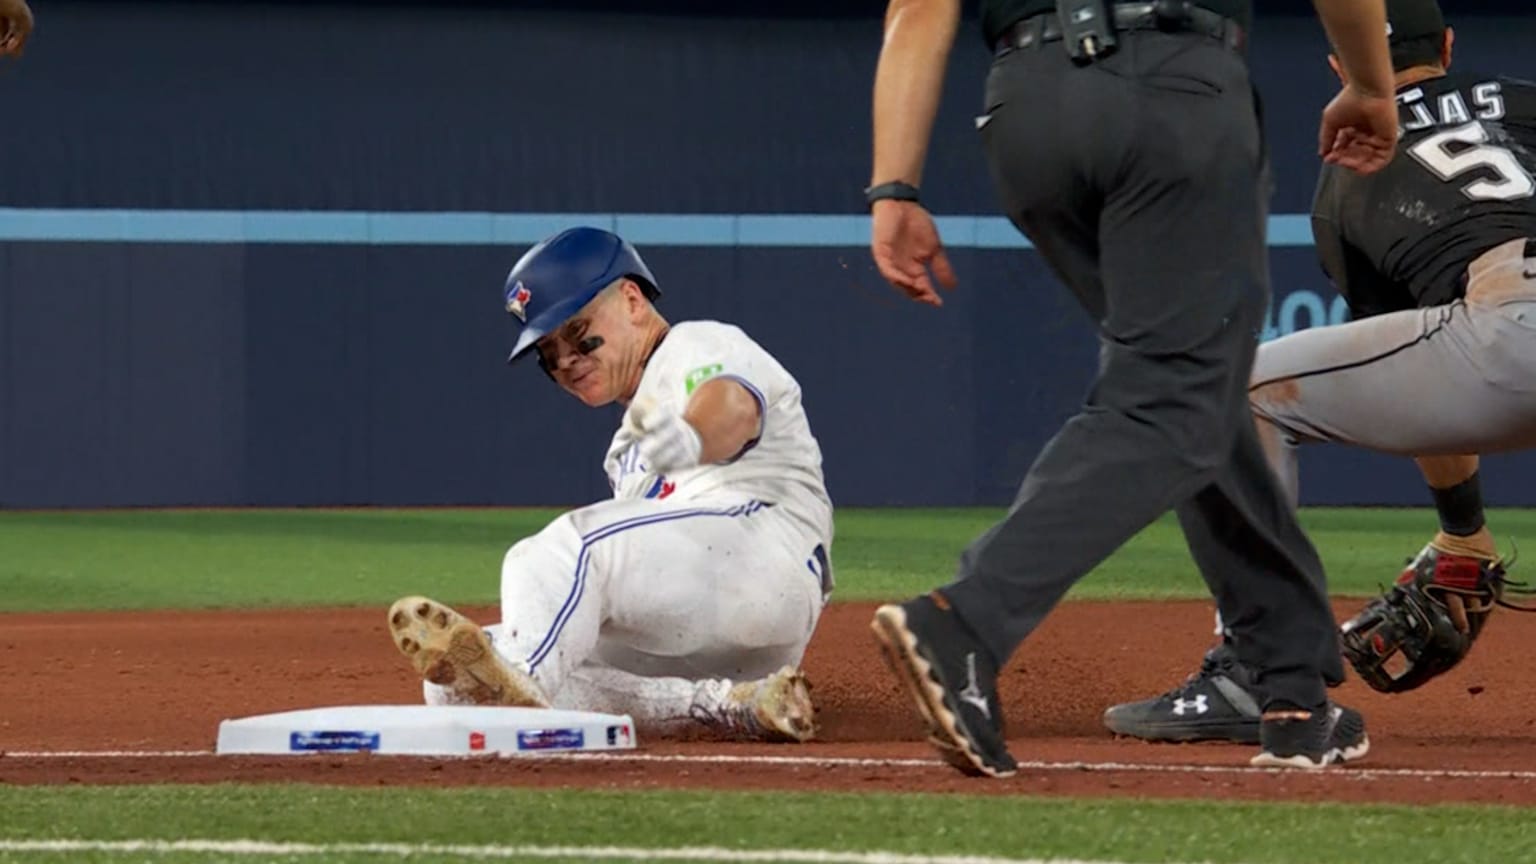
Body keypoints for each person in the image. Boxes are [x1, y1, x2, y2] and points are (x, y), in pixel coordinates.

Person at [863, 0, 1400, 777]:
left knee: (1193, 383)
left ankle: (1288, 688)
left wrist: (894, 187)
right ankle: (966, 622)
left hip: (1025, 110)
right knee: (1176, 392)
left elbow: (916, 10)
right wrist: (1370, 84)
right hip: (1171, 87)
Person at [1105, 0, 1536, 745]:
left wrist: (1464, 528)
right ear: (1451, 44)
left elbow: (1409, 343)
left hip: (1511, 329)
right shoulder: (1526, 101)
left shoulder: (1351, 176)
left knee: (1239, 393)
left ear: (1343, 65)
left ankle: (1254, 671)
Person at [388, 226, 835, 743]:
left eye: (577, 332)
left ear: (631, 300)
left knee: (558, 552)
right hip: (726, 634)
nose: (566, 360)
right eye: (548, 353)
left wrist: (693, 436)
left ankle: (522, 699)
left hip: (760, 556)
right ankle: (728, 705)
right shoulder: (627, 445)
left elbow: (732, 405)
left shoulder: (696, 343)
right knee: (457, 682)